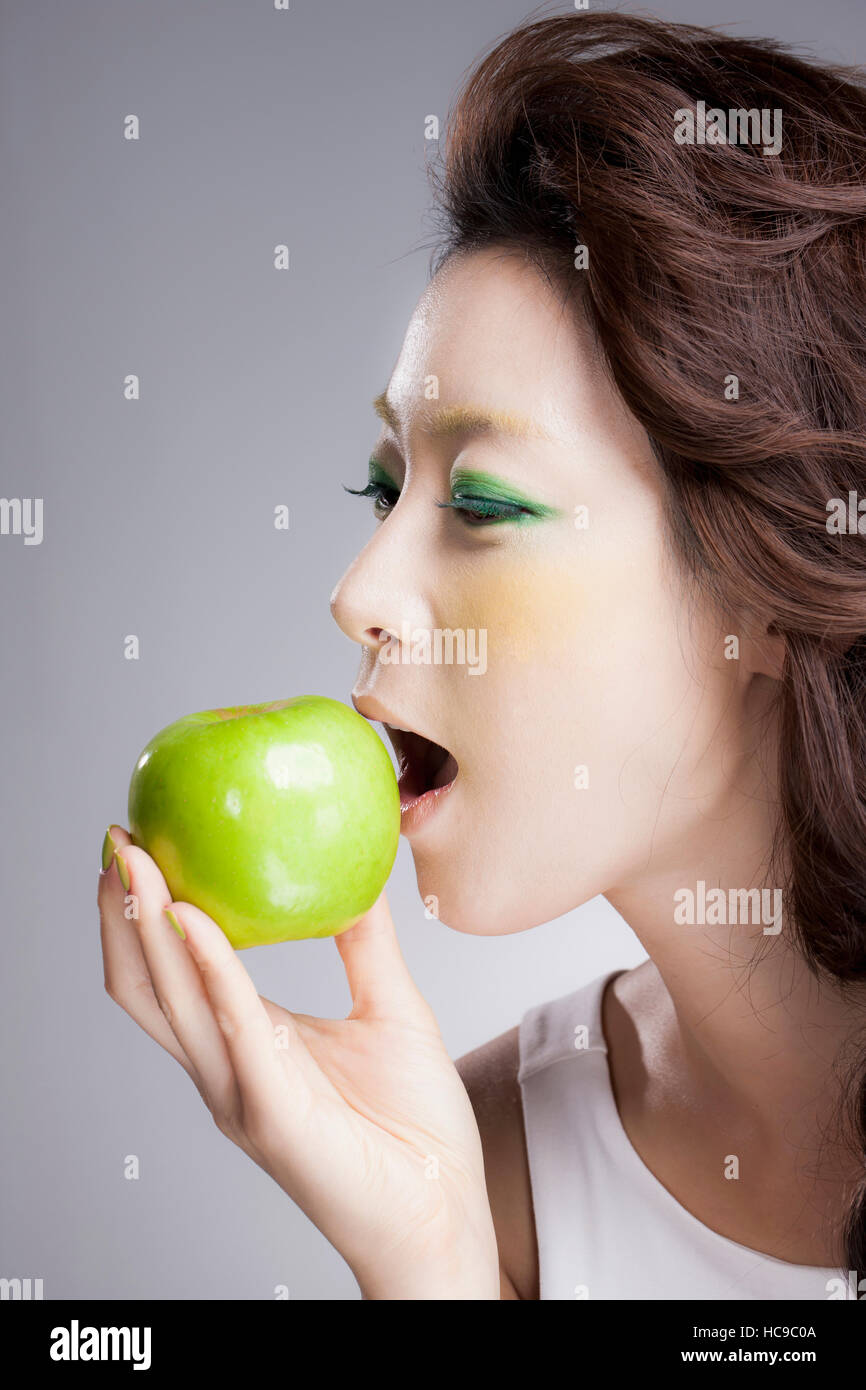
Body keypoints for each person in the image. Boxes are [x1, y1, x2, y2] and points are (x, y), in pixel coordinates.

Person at [98, 12, 866, 1299]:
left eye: (483, 504)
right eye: (380, 490)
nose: (356, 595)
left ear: (770, 593)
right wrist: (431, 1270)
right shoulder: (480, 1163)